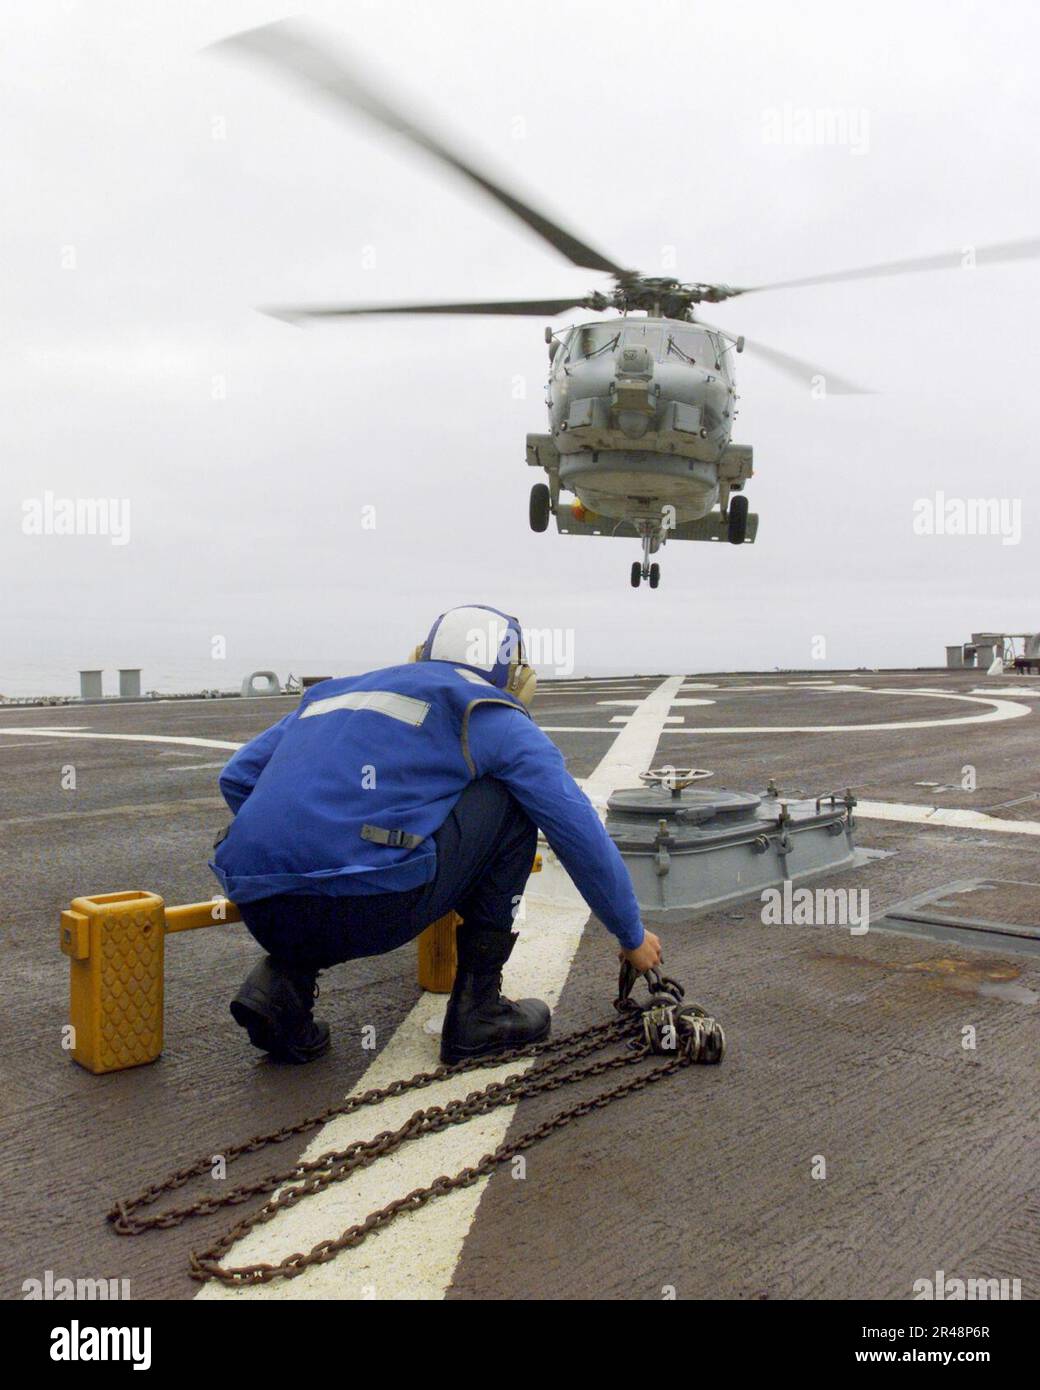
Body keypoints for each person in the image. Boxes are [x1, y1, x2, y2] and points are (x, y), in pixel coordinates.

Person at [211, 604, 661, 1065]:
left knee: (316, 858)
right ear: (518, 676)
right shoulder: (489, 711)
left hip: (259, 903)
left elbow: (238, 776)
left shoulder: (337, 693)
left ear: (419, 654)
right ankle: (477, 1010)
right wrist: (631, 935)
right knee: (511, 803)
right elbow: (577, 831)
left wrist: (307, 845)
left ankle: (281, 987)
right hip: (369, 909)